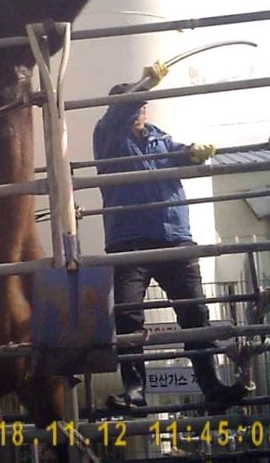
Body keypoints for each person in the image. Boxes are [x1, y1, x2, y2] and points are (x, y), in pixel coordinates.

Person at [92, 82, 246, 412]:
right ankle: (135, 391)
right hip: (129, 240)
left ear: (145, 111)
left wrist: (194, 152)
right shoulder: (107, 136)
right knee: (128, 317)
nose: (135, 113)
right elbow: (117, 115)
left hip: (175, 238)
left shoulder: (162, 138)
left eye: (139, 107)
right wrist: (143, 86)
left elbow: (183, 153)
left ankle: (212, 387)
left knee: (196, 314)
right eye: (129, 107)